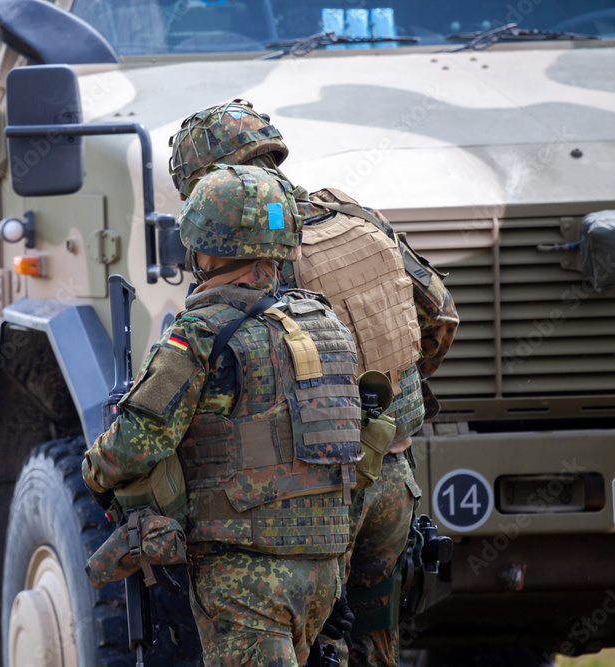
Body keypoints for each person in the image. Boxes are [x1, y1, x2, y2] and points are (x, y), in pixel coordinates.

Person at [169, 100, 459, 667]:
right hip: (394, 480)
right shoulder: (356, 217)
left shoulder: (255, 252)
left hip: (319, 500)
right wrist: (389, 402)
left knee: (319, 649)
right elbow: (441, 318)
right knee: (376, 648)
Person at [83, 164, 363, 667]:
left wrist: (95, 470)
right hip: (324, 570)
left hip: (245, 578)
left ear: (205, 245)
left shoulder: (201, 333)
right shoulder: (327, 325)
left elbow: (134, 443)